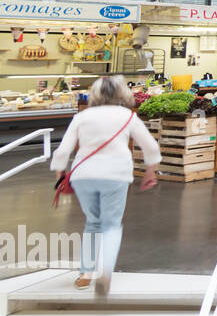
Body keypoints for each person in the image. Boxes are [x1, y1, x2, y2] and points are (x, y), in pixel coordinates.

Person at [50, 76, 160, 294]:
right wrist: (150, 171)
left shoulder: (83, 116)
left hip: (84, 175)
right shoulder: (128, 117)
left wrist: (60, 173)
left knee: (92, 222)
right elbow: (150, 147)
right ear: (122, 94)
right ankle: (105, 274)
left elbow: (63, 150)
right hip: (116, 174)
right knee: (111, 225)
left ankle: (85, 273)